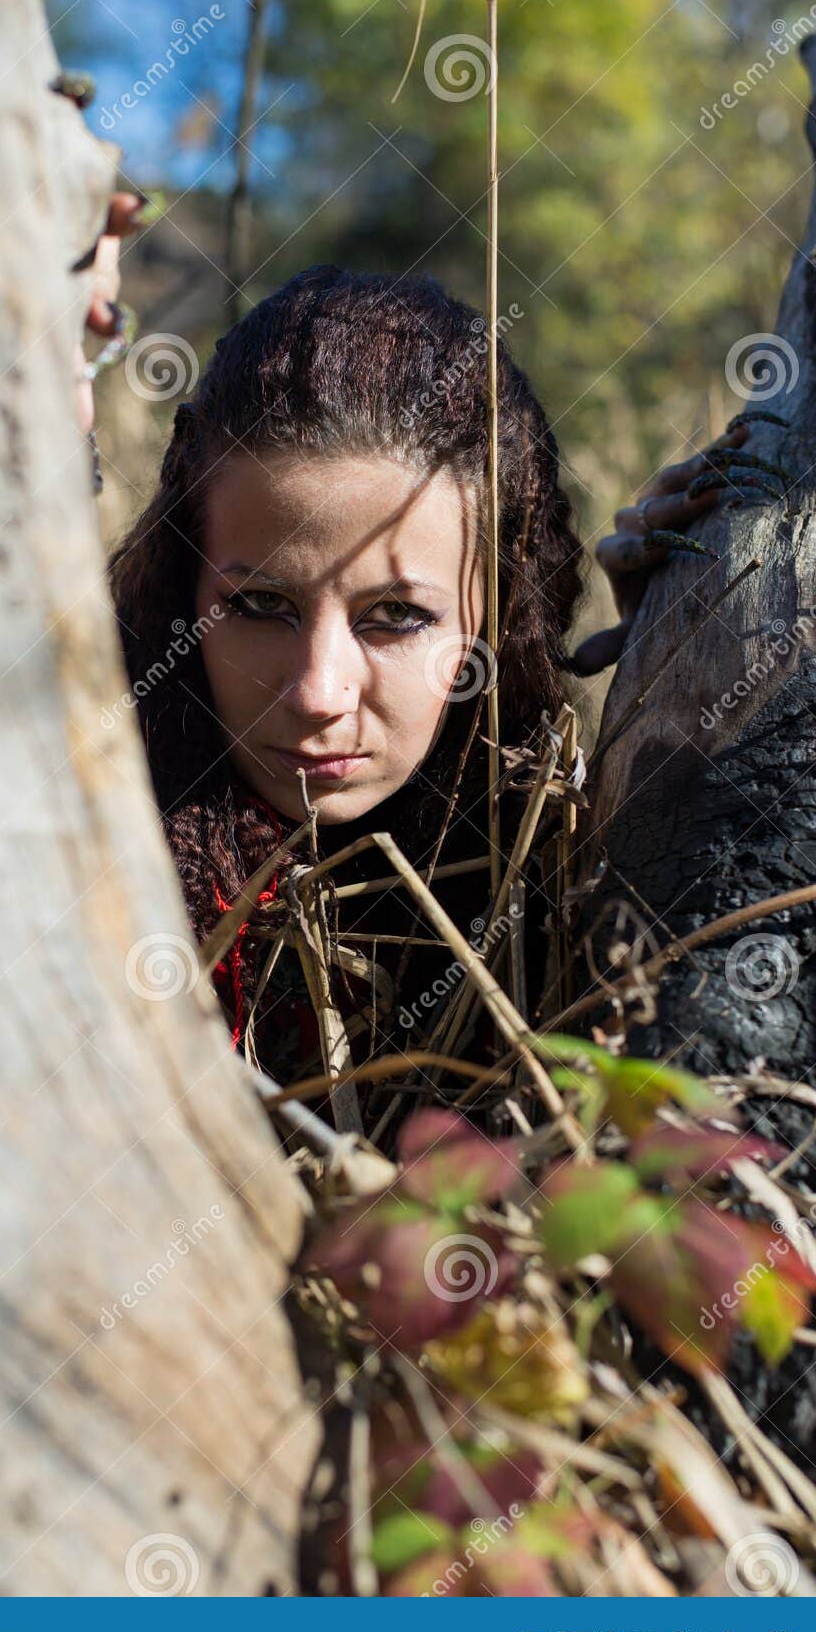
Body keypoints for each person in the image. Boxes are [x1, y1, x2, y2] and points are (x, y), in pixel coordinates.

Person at [107, 263, 751, 1101]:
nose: (317, 693)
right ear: (184, 589)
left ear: (497, 611)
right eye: (261, 604)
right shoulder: (86, 858)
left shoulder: (533, 863)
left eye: (396, 616)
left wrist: (668, 677)